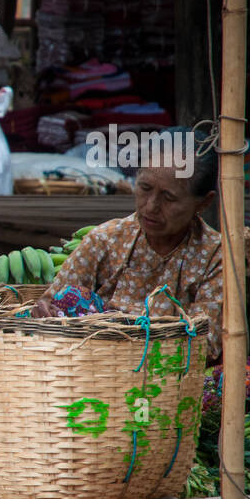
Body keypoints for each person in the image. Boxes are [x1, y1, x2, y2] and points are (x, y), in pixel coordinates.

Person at [31, 127, 223, 359]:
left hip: (171, 372)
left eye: (168, 197)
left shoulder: (214, 254)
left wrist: (127, 331)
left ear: (203, 203)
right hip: (95, 365)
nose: (150, 206)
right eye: (144, 188)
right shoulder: (106, 240)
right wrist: (46, 310)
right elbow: (52, 303)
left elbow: (207, 342)